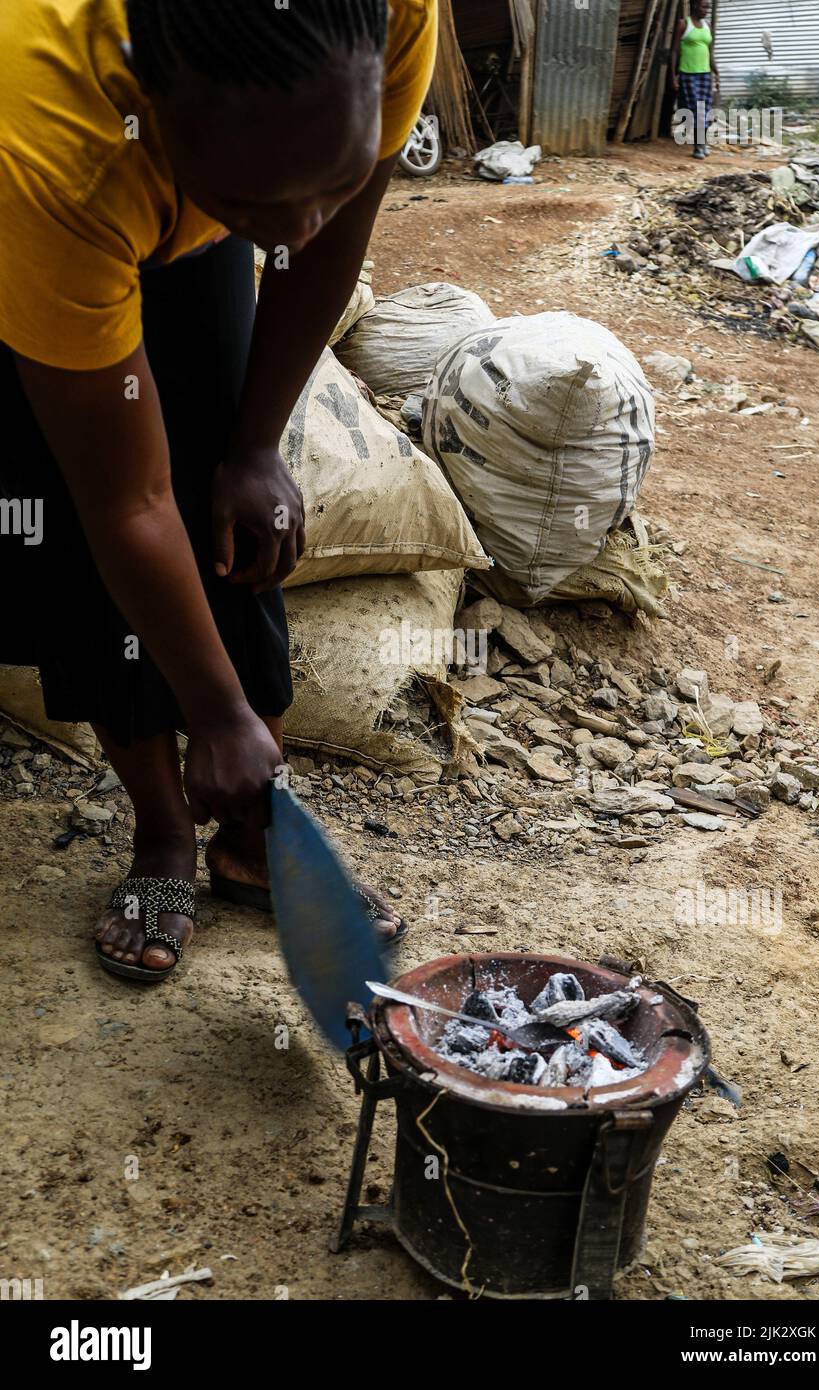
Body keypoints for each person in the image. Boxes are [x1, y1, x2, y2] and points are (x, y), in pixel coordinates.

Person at [0, 0, 437, 982]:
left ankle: (254, 833)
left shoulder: (389, 15)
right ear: (155, 113)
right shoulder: (54, 142)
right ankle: (163, 830)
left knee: (226, 491)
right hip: (53, 215)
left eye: (326, 176)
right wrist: (214, 710)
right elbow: (124, 501)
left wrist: (254, 445)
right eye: (254, 208)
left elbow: (322, 224)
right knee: (79, 515)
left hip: (223, 157)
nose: (291, 232)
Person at [671, 0, 720, 159]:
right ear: (695, 6)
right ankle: (698, 147)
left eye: (708, 7)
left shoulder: (707, 26)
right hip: (688, 74)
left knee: (706, 111)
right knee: (697, 110)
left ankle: (702, 143)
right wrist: (674, 76)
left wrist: (717, 73)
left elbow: (710, 53)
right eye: (703, 6)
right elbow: (674, 52)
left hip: (705, 74)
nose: (706, 10)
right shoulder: (684, 24)